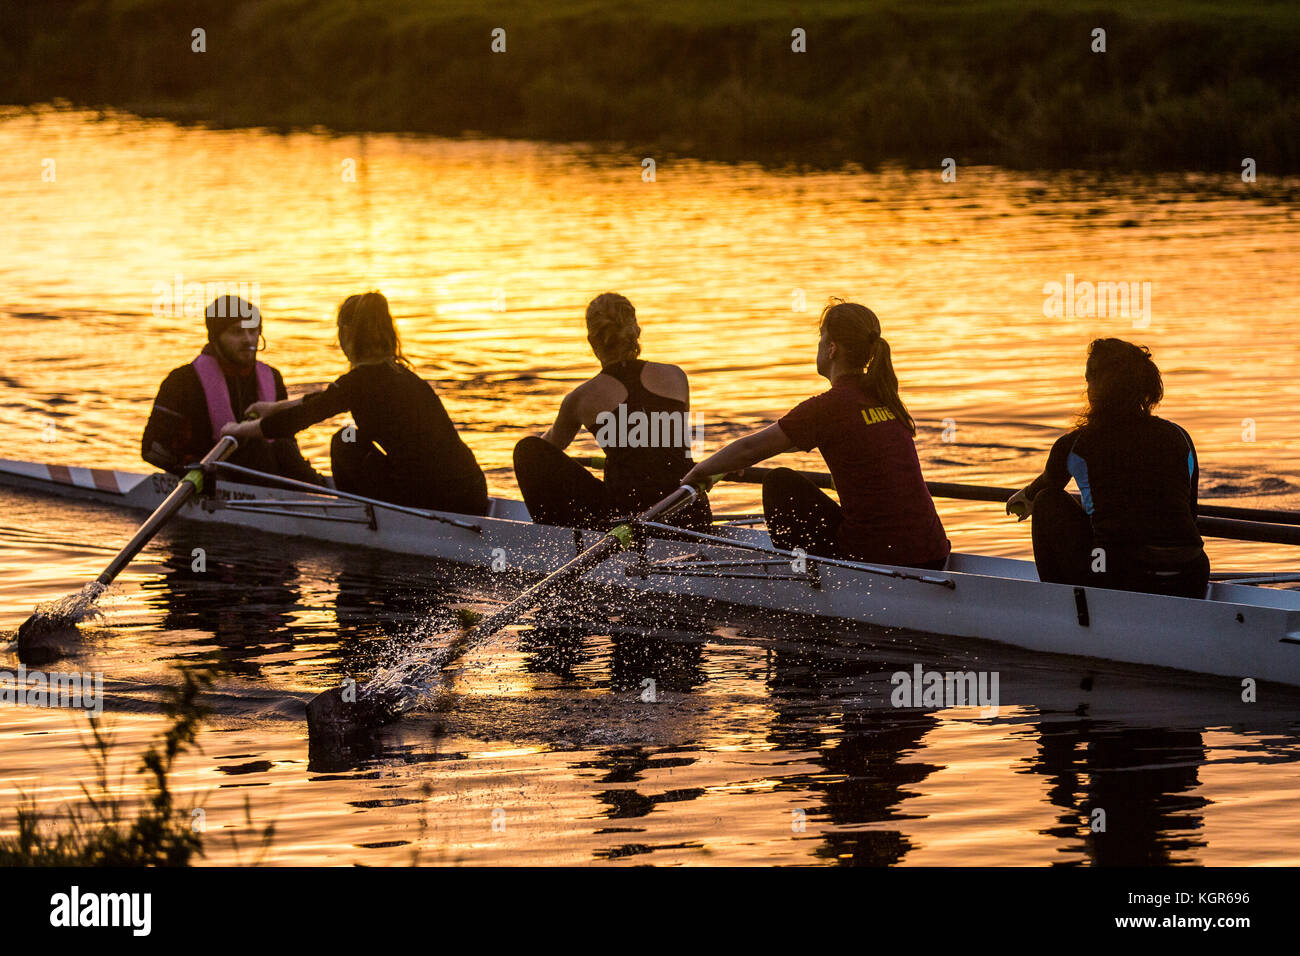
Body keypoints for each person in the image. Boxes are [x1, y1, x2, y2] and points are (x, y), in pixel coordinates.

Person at [683, 299, 950, 569]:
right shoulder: (883, 398)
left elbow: (750, 449)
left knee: (779, 482)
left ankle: (802, 579)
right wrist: (732, 463)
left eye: (821, 338)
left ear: (832, 348)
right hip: (934, 553)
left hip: (880, 559)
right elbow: (773, 446)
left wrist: (699, 472)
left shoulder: (829, 407)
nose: (819, 345)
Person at [221, 292, 489, 516]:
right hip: (473, 492)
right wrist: (273, 407)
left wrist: (236, 429)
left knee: (344, 441)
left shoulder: (359, 381)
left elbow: (298, 421)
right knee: (353, 436)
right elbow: (322, 400)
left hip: (436, 501)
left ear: (347, 335)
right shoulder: (400, 373)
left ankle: (359, 516)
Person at [1005, 338, 1209, 597]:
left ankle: (1058, 608)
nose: (1087, 389)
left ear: (1100, 388)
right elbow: (1190, 515)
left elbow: (1044, 487)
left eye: (1089, 380)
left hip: (1116, 573)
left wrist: (1028, 495)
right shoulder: (1180, 437)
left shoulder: (1075, 444)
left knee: (1047, 502)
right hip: (1191, 575)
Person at [513, 292, 712, 530]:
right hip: (691, 510)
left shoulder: (580, 398)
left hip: (632, 520)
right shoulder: (676, 376)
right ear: (635, 331)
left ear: (592, 341)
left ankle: (555, 539)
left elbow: (548, 448)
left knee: (527, 451)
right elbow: (669, 451)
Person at [141, 295, 322, 485]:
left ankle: (319, 488)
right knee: (256, 449)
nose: (248, 340)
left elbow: (287, 443)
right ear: (215, 337)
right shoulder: (182, 381)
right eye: (237, 332)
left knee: (282, 447)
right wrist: (189, 469)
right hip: (212, 478)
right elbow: (152, 448)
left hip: (266, 474)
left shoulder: (272, 377)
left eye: (253, 331)